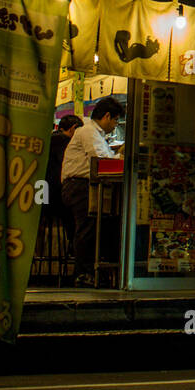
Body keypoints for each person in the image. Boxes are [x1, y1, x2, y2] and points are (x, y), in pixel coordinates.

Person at [60, 97, 124, 288]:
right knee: (87, 228)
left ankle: (94, 272)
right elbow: (101, 160)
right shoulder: (88, 130)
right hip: (78, 186)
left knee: (96, 227)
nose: (115, 125)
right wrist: (122, 155)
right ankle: (83, 274)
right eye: (115, 120)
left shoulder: (94, 133)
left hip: (85, 185)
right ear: (106, 116)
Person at [46, 115, 82, 246]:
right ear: (74, 129)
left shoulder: (48, 138)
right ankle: (75, 247)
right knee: (76, 207)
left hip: (41, 195)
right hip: (55, 197)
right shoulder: (65, 141)